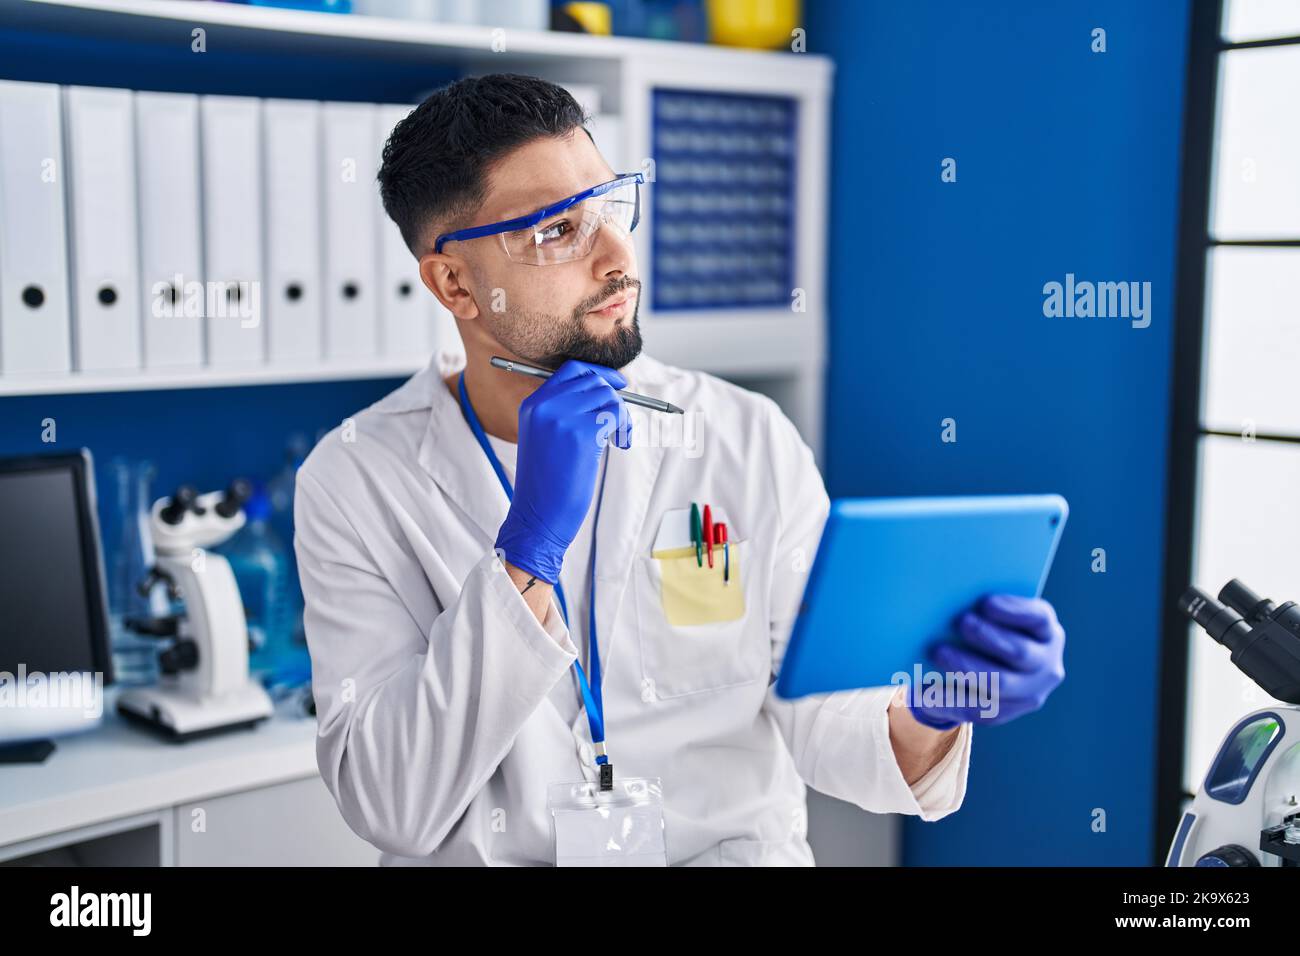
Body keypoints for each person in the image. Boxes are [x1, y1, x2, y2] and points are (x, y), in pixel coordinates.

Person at [293, 74, 1066, 866]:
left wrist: (935, 706)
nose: (617, 256)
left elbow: (821, 715)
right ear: (455, 283)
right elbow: (391, 802)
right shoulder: (356, 479)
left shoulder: (743, 437)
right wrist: (527, 549)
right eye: (558, 229)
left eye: (611, 205)